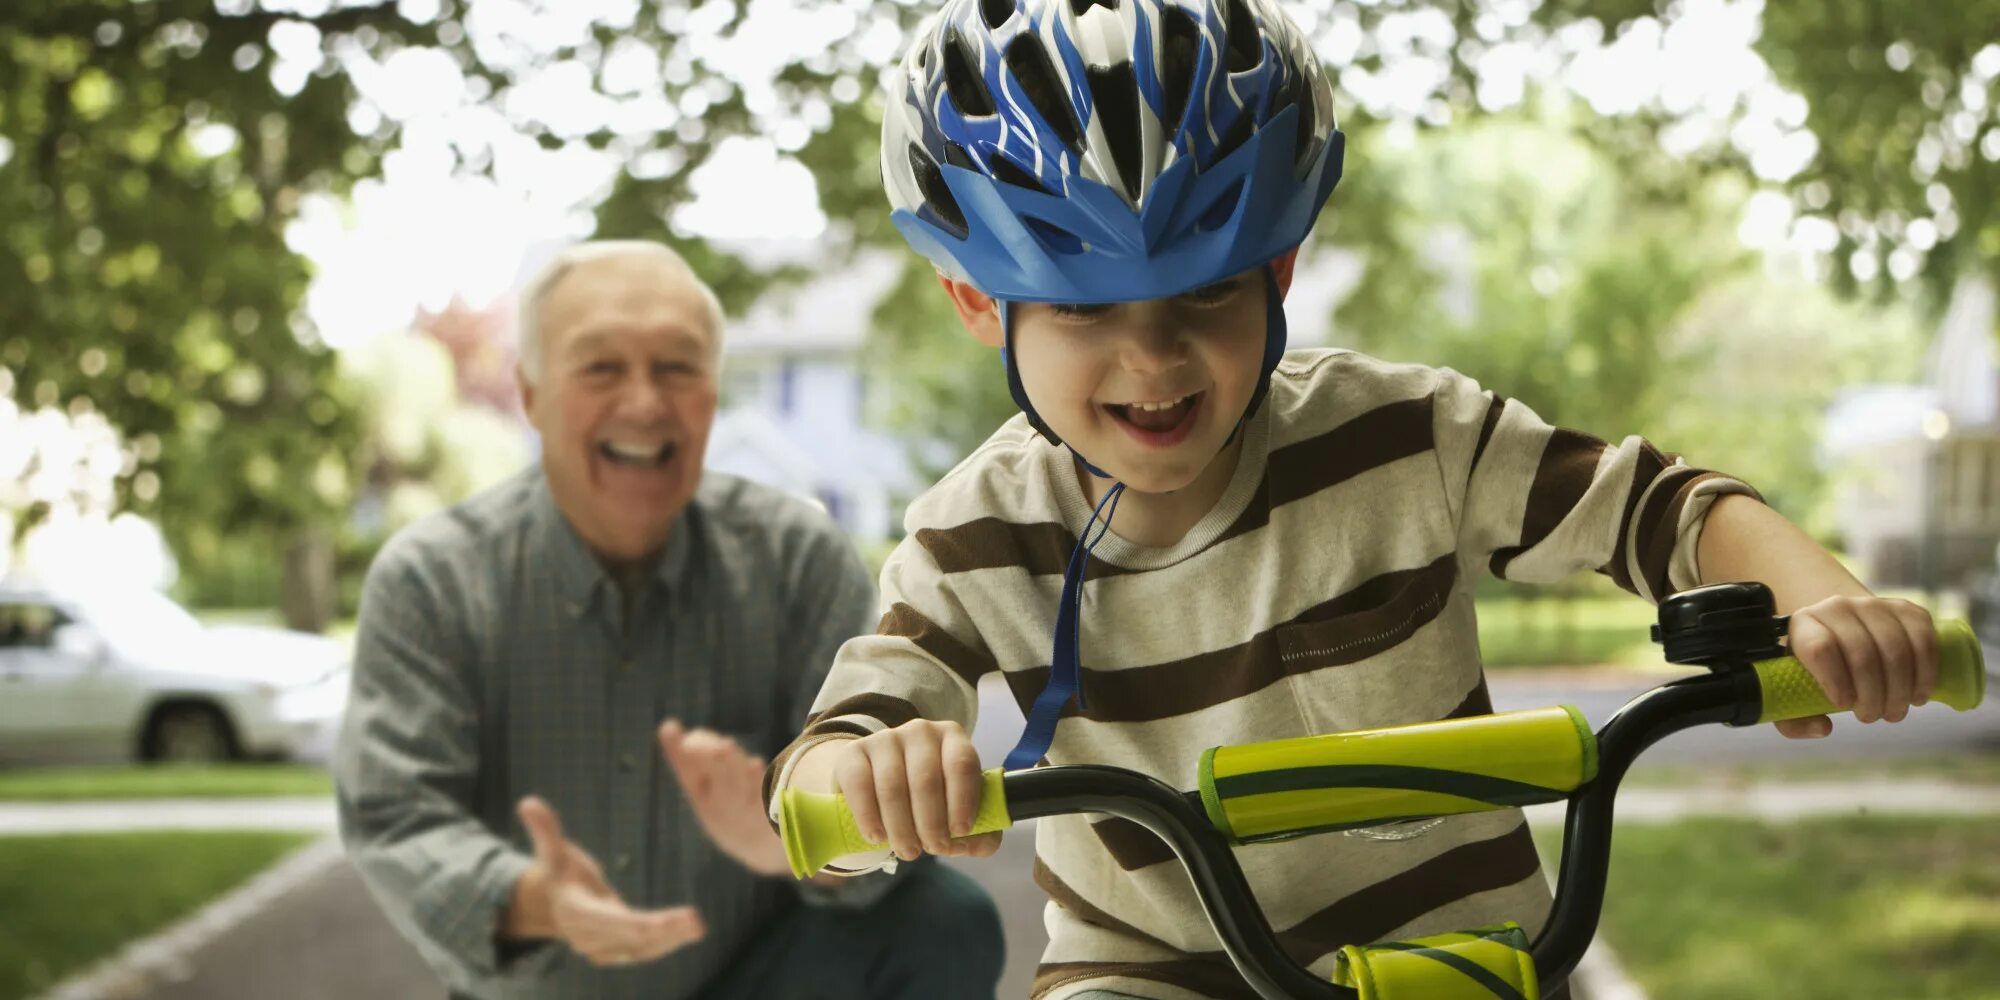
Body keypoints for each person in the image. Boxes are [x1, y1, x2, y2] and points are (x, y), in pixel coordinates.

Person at [762, 2, 1944, 998]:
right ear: (979, 302)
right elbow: (833, 754)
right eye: (1080, 308)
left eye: (1209, 289)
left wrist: (1825, 601)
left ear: (1278, 268)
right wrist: (867, 780)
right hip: (1154, 974)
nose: (1154, 359)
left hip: (1466, 956)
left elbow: (1659, 507)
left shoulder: (1406, 436)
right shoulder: (971, 539)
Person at [335, 241, 1003, 1000]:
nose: (646, 401)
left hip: (756, 975)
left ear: (712, 396)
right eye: (601, 367)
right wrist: (528, 900)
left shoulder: (799, 559)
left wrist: (794, 837)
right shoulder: (433, 579)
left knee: (943, 920)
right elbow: (396, 814)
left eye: (679, 366)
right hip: (541, 986)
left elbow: (869, 829)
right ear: (531, 394)